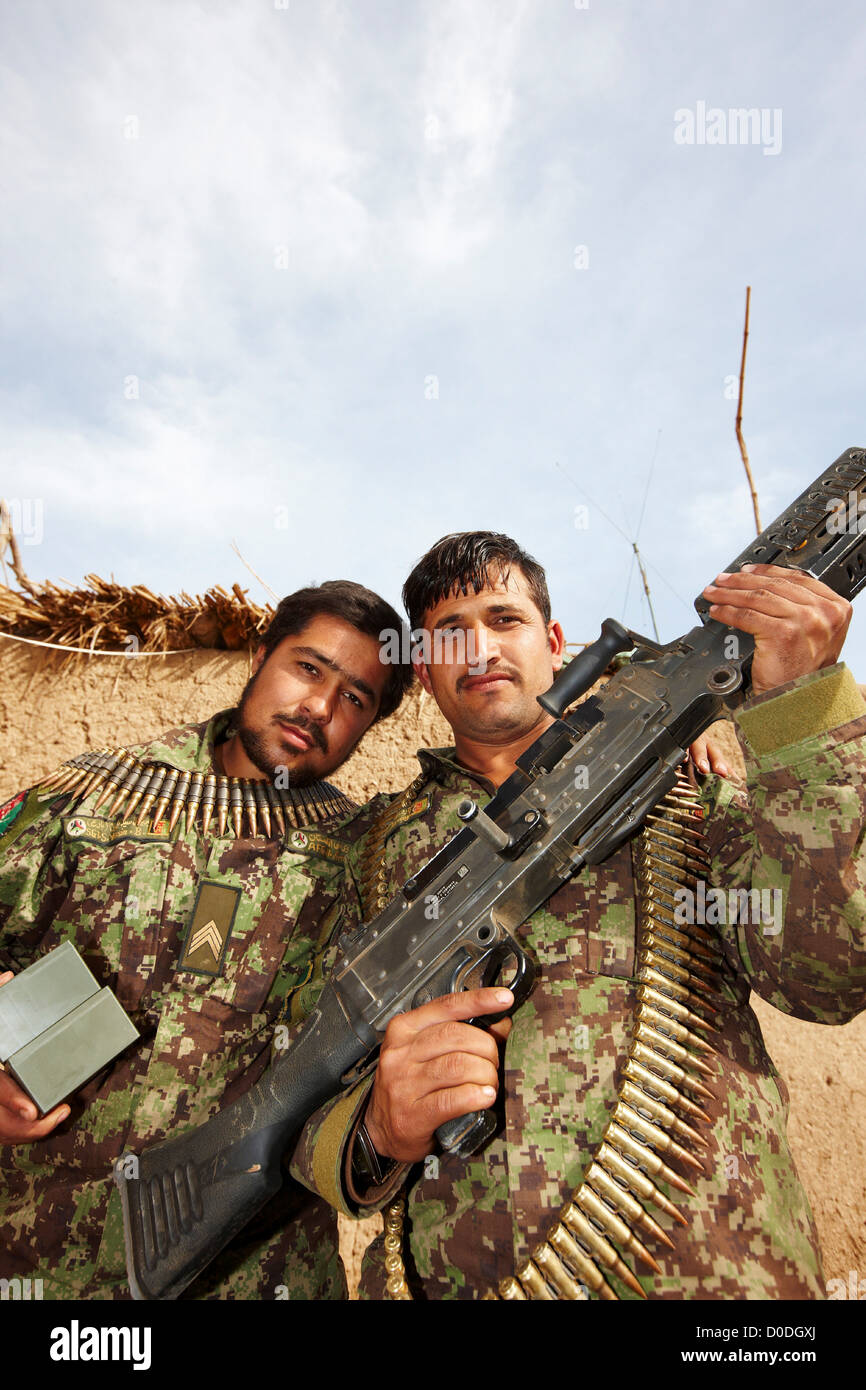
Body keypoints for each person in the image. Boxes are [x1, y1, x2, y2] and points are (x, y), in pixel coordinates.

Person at [291, 533, 865, 1300]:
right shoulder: (370, 851)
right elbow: (292, 1087)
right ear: (423, 672)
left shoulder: (684, 786)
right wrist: (375, 1131)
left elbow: (827, 975)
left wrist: (800, 711)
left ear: (556, 644)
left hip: (710, 1278)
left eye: (505, 618)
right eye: (450, 633)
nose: (482, 647)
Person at [0, 579, 413, 1300]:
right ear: (259, 655)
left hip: (251, 1273)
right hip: (36, 1257)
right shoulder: (93, 797)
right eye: (308, 668)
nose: (319, 707)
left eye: (355, 698)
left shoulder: (367, 860)